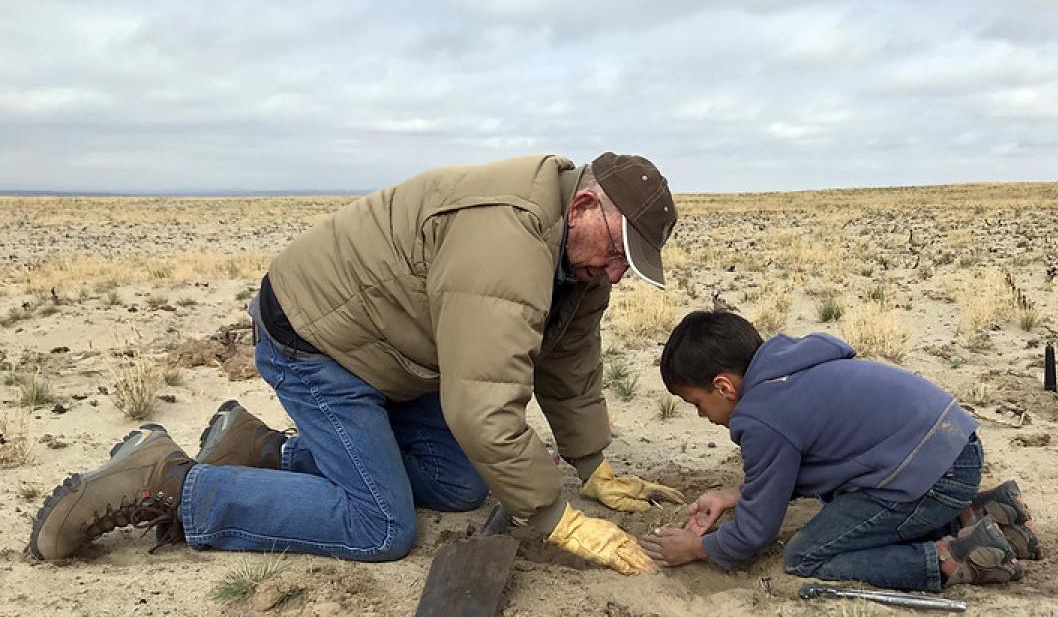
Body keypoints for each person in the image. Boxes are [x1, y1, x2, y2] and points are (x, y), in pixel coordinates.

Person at [30, 153, 685, 575]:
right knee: (380, 525)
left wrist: (591, 464)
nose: (616, 273)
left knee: (462, 484)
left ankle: (263, 449)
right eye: (616, 251)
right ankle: (169, 481)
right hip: (317, 341)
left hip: (393, 351)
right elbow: (482, 408)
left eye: (629, 264)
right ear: (583, 207)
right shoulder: (508, 241)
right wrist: (556, 519)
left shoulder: (576, 259)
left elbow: (568, 362)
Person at [639, 310, 1042, 591]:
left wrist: (699, 547)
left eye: (697, 404)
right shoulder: (789, 369)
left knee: (806, 556)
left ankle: (961, 556)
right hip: (953, 447)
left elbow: (756, 533)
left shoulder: (762, 417)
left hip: (932, 477)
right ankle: (987, 514)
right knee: (859, 515)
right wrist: (735, 495)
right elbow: (794, 466)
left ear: (724, 387)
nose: (702, 416)